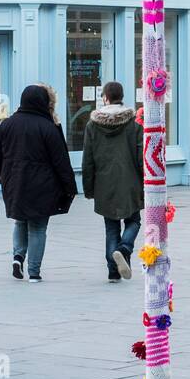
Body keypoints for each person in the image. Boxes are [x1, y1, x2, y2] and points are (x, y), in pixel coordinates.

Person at [0, 84, 76, 284]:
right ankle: (34, 272)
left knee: (20, 220)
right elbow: (60, 160)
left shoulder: (7, 124)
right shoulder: (48, 127)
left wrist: (0, 176)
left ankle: (17, 257)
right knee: (38, 227)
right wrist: (69, 187)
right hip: (42, 184)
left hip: (14, 181)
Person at [82, 80, 143, 283]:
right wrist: (146, 184)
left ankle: (113, 271)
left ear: (105, 98)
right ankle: (124, 248)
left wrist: (89, 188)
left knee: (111, 227)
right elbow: (141, 158)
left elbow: (88, 160)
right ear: (121, 96)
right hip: (130, 182)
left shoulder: (92, 126)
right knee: (134, 220)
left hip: (104, 184)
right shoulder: (134, 126)